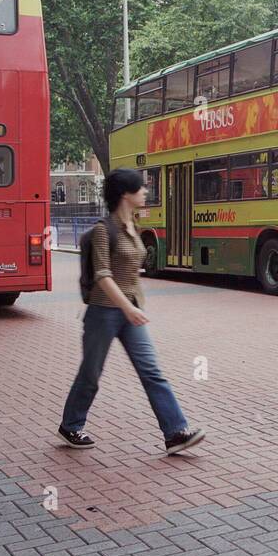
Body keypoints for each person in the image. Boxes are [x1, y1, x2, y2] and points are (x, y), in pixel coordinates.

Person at [58, 169, 204, 456]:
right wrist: (126, 307)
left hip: (130, 312)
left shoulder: (132, 226)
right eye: (141, 188)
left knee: (151, 371)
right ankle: (70, 425)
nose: (145, 192)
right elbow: (102, 274)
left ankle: (175, 432)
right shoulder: (104, 229)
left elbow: (131, 272)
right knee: (91, 372)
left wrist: (133, 306)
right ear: (125, 193)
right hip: (104, 311)